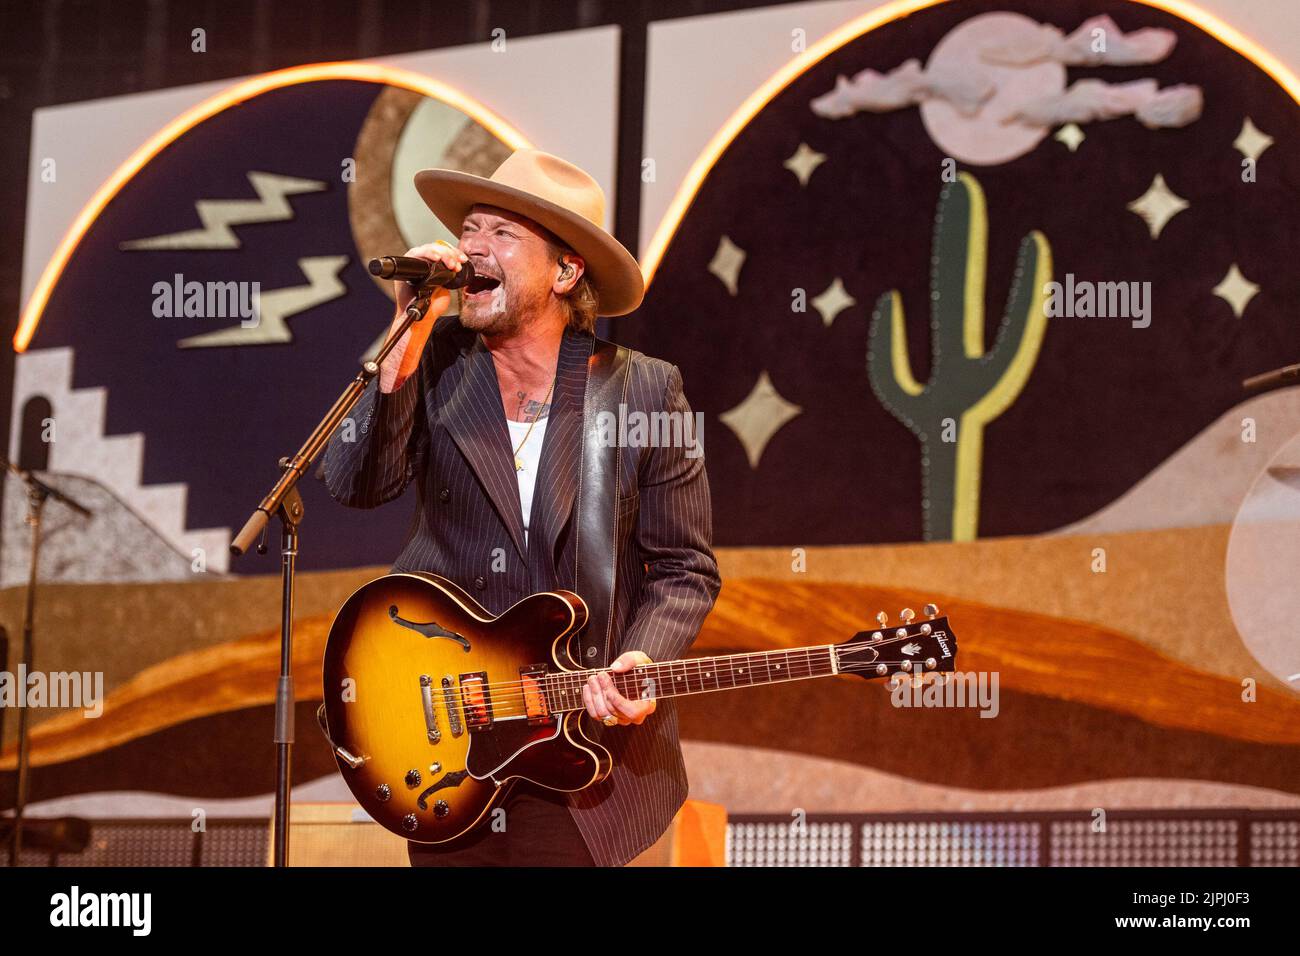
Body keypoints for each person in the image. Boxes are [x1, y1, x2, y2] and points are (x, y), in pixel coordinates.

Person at [324, 148, 721, 867]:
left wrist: (643, 657)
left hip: (583, 755)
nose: (472, 246)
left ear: (565, 272)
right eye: (469, 228)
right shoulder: (433, 362)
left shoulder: (644, 393)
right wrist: (401, 351)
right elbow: (354, 484)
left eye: (502, 233)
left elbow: (685, 569)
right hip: (449, 743)